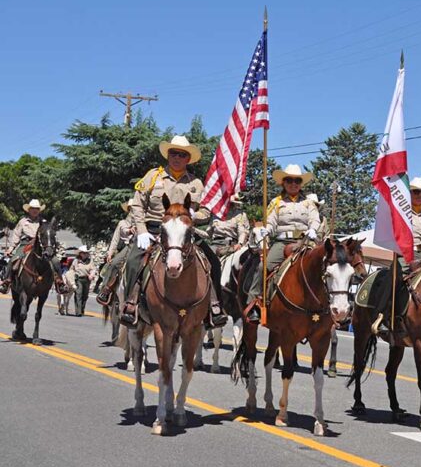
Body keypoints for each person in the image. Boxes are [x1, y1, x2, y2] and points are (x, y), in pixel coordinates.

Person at [109, 135, 227, 327]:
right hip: (154, 229)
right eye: (173, 153)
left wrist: (193, 215)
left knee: (213, 261)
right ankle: (131, 304)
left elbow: (206, 211)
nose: (177, 157)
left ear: (188, 159)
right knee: (132, 262)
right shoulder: (153, 176)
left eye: (182, 154)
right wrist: (141, 230)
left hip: (184, 232)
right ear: (168, 155)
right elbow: (137, 205)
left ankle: (214, 307)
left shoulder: (196, 183)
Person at [244, 164, 320, 323]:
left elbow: (315, 219)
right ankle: (254, 302)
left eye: (297, 181)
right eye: (289, 180)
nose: (293, 184)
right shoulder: (276, 202)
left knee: (323, 266)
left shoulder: (309, 203)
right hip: (282, 242)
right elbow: (271, 221)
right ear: (283, 183)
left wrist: (313, 229)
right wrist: (267, 230)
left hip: (304, 242)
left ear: (301, 184)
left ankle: (327, 305)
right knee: (263, 267)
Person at [370, 177, 421, 334]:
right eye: (416, 192)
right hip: (405, 255)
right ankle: (381, 315)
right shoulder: (402, 213)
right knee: (394, 279)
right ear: (410, 193)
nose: (420, 195)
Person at [1, 199, 64, 294]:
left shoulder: (44, 222)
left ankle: (60, 283)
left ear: (39, 210)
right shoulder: (23, 221)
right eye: (33, 208)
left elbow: (50, 235)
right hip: (25, 244)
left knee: (55, 261)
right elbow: (16, 235)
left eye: (37, 209)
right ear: (29, 210)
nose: (35, 210)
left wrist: (52, 246)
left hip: (41, 246)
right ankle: (7, 281)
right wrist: (11, 248)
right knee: (13, 259)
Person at [96, 201, 136, 305]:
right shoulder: (123, 223)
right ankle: (105, 290)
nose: (133, 210)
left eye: (135, 207)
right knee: (114, 264)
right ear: (128, 210)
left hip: (141, 245)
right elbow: (115, 239)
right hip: (128, 246)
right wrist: (110, 253)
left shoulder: (143, 220)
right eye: (131, 208)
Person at [70, 245, 97, 316]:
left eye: (86, 253)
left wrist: (91, 275)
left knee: (85, 296)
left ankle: (82, 309)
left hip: (87, 279)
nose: (86, 254)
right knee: (78, 294)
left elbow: (93, 269)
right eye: (84, 253)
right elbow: (72, 269)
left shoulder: (90, 261)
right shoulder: (76, 261)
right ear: (80, 253)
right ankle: (78, 311)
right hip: (78, 279)